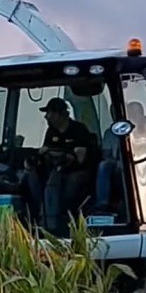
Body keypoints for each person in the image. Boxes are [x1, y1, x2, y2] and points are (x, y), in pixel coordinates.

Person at [27, 97, 102, 233]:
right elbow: (45, 152)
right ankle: (41, 214)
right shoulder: (51, 132)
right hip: (55, 170)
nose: (46, 117)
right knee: (32, 177)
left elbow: (80, 158)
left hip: (78, 171)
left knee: (68, 185)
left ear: (61, 114)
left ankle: (60, 218)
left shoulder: (79, 129)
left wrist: (57, 153)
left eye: (50, 113)